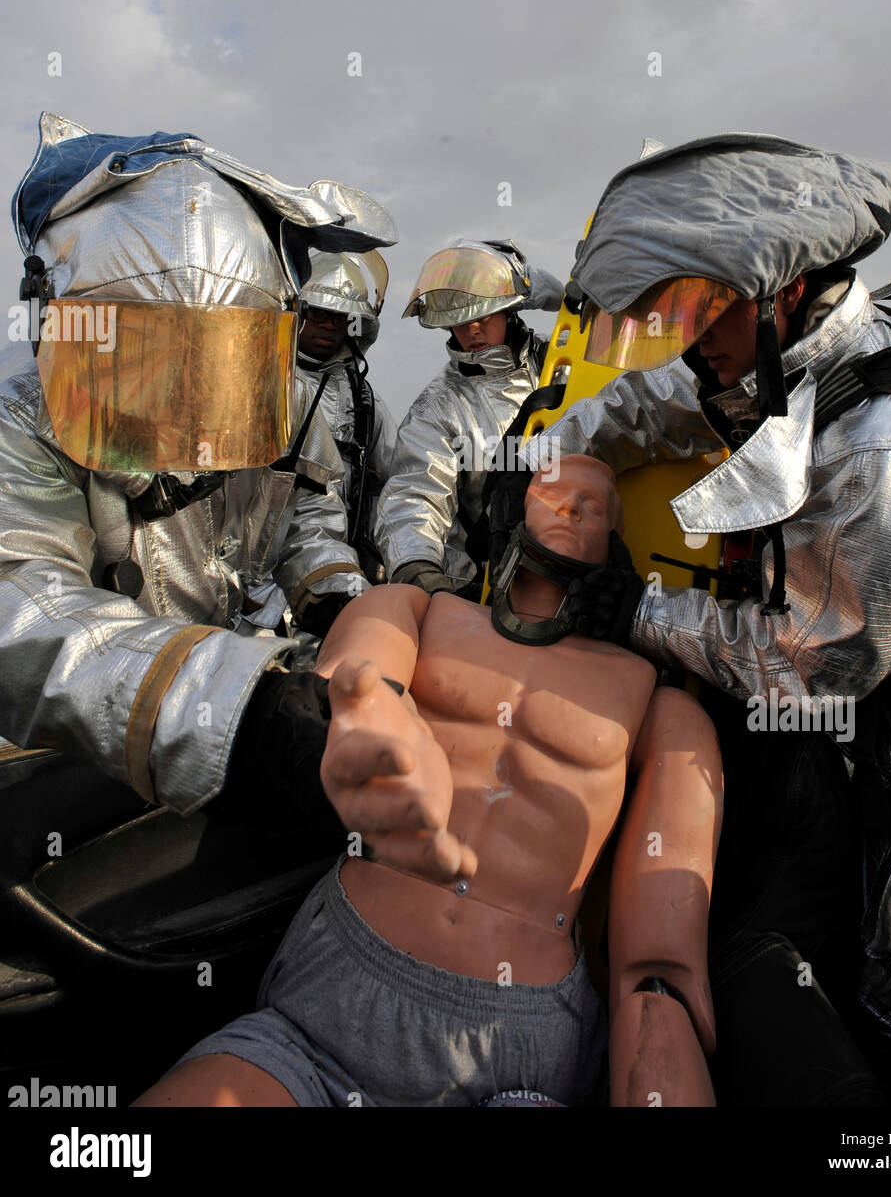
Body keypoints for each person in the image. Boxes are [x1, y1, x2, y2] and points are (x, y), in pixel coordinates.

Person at [510, 134, 891, 1097]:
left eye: (702, 316)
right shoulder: (782, 353)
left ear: (782, 293)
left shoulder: (885, 451)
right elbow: (652, 404)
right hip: (875, 689)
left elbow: (804, 669)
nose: (690, 344)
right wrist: (547, 459)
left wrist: (625, 609)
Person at [133, 455, 723, 1108]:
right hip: (324, 1012)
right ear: (508, 510)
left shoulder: (656, 703)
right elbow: (347, 700)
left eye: (594, 502)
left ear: (615, 538)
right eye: (551, 492)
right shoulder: (416, 611)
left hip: (514, 1059)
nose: (572, 507)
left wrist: (659, 1033)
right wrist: (369, 723)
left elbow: (659, 957)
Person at [0, 112, 396, 849]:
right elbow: (21, 607)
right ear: (62, 322)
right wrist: (244, 712)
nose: (183, 375)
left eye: (210, 344)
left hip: (211, 712)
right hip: (66, 755)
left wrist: (332, 593)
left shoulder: (267, 398)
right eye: (142, 340)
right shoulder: (21, 419)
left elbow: (307, 513)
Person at [374, 238, 563, 598]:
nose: (472, 329)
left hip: (579, 574)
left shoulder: (563, 366)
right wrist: (417, 568)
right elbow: (415, 495)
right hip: (485, 592)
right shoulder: (436, 407)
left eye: (484, 315)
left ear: (510, 310)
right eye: (460, 320)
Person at [296, 249, 398, 581]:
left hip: (340, 572)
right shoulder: (259, 383)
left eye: (340, 316)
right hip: (258, 572)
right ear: (297, 312)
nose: (328, 324)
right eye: (318, 314)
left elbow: (397, 482)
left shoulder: (363, 400)